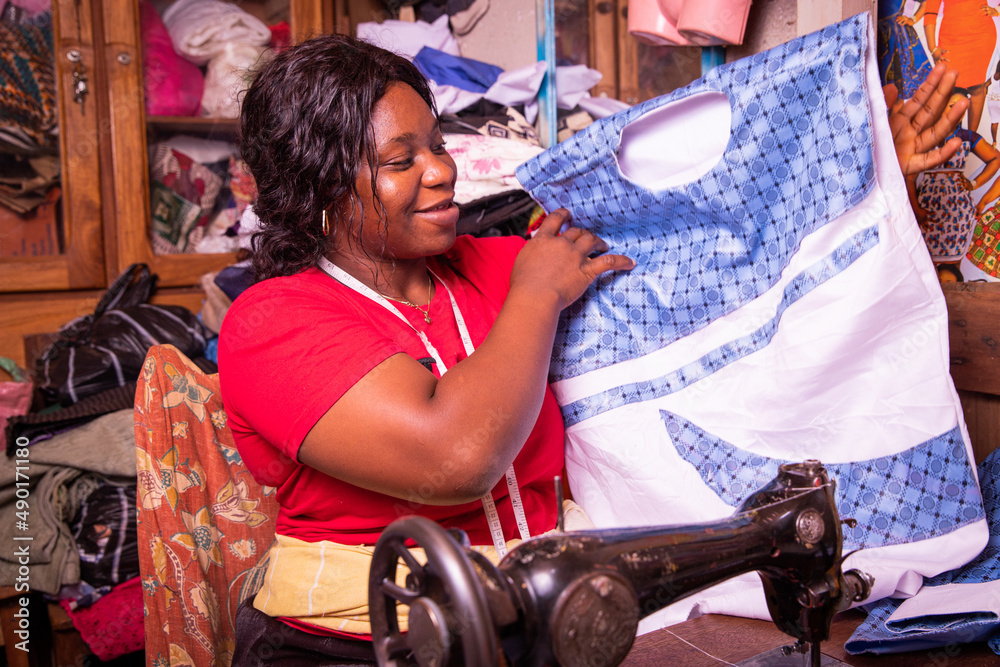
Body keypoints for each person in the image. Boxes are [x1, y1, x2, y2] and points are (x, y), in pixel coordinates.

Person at [218, 34, 967, 664]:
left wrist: (860, 177)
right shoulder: (275, 323)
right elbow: (454, 456)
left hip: (538, 617)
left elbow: (692, 265)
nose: (442, 169)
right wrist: (538, 295)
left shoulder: (488, 266)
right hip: (355, 640)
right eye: (399, 159)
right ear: (318, 190)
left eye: (437, 144)